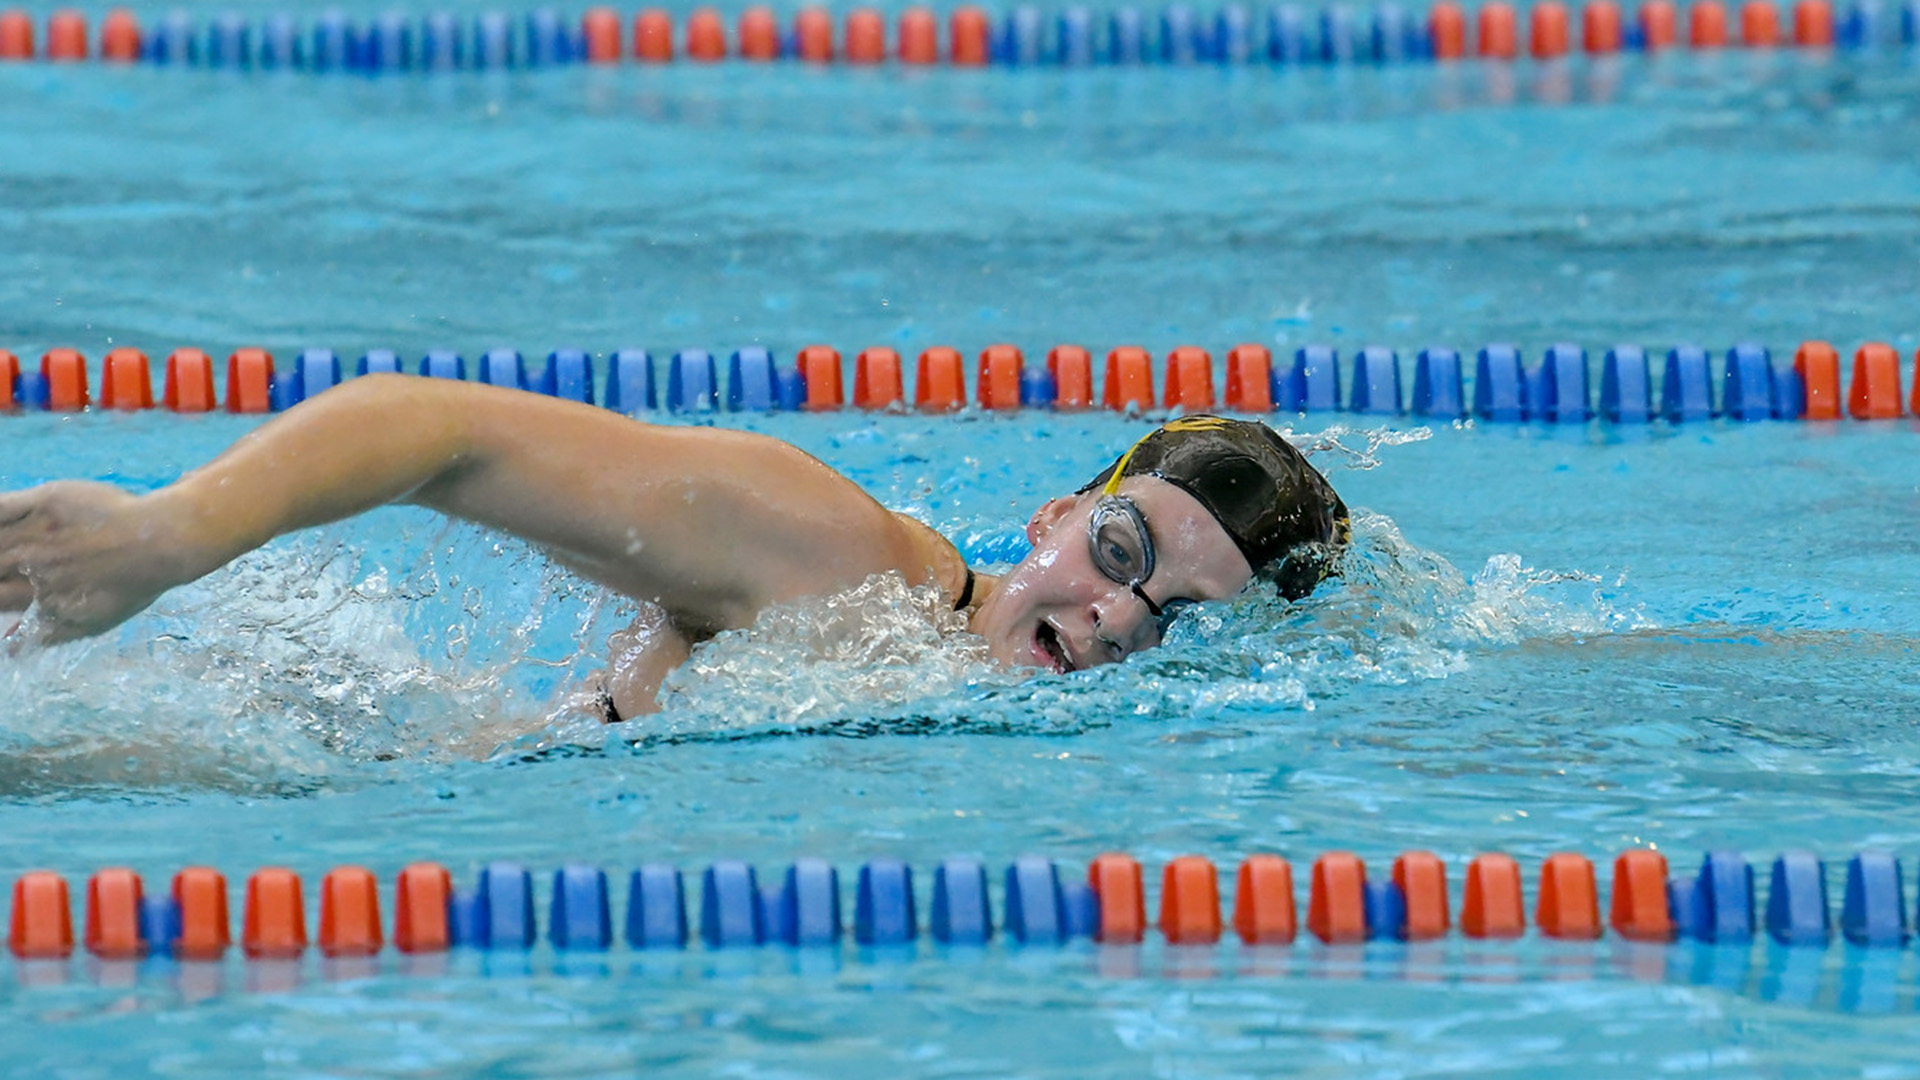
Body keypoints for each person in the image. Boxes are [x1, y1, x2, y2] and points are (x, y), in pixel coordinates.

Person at [0, 374, 1348, 720]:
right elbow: (439, 431)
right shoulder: (841, 563)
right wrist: (170, 535)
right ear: (1055, 518)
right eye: (1118, 551)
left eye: (1175, 615)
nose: (1119, 615)